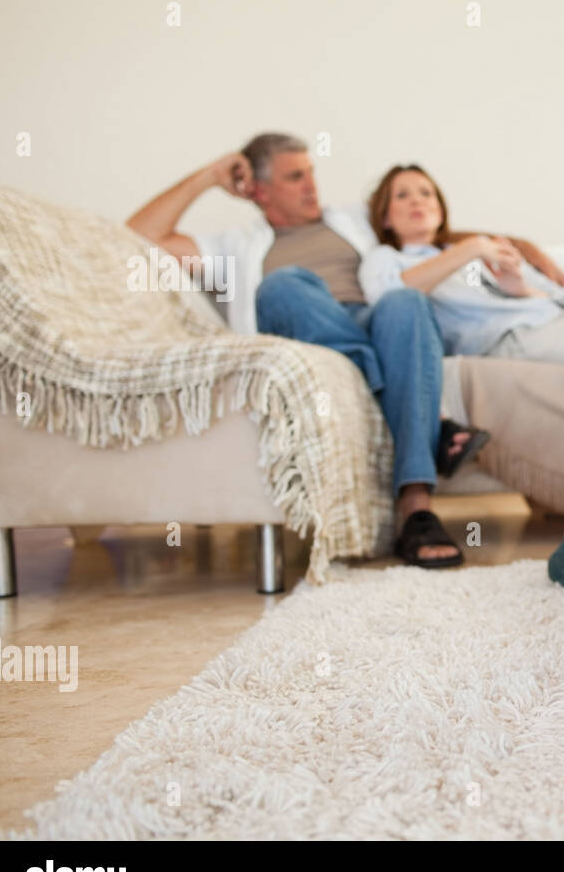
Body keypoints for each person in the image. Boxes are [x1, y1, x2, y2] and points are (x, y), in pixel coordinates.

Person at [125, 134, 489, 567]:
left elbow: (430, 225)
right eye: (295, 177)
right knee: (283, 285)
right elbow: (136, 238)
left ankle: (416, 508)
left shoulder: (355, 220)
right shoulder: (233, 249)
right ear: (259, 191)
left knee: (405, 301)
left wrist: (521, 249)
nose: (311, 185)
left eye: (311, 173)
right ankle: (418, 414)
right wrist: (207, 177)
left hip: (377, 327)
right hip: (312, 336)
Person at [358, 164, 564, 378]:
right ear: (385, 217)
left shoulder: (471, 250)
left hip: (560, 309)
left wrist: (520, 289)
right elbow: (389, 300)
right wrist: (469, 248)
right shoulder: (387, 258)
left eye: (426, 193)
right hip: (513, 336)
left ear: (440, 209)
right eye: (403, 195)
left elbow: (556, 296)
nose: (418, 201)